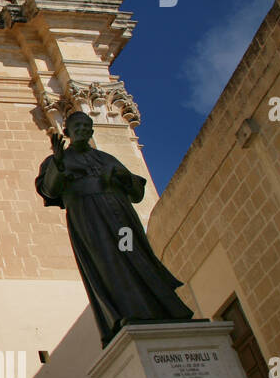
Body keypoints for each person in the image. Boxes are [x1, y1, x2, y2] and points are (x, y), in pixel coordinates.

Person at [36, 111, 193, 345]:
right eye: (77, 125)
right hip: (90, 218)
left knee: (132, 254)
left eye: (87, 126)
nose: (83, 129)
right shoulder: (55, 161)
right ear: (66, 131)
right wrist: (58, 164)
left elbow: (137, 194)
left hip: (121, 217)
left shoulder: (107, 158)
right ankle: (129, 311)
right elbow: (49, 190)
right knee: (107, 261)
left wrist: (121, 175)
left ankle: (161, 308)